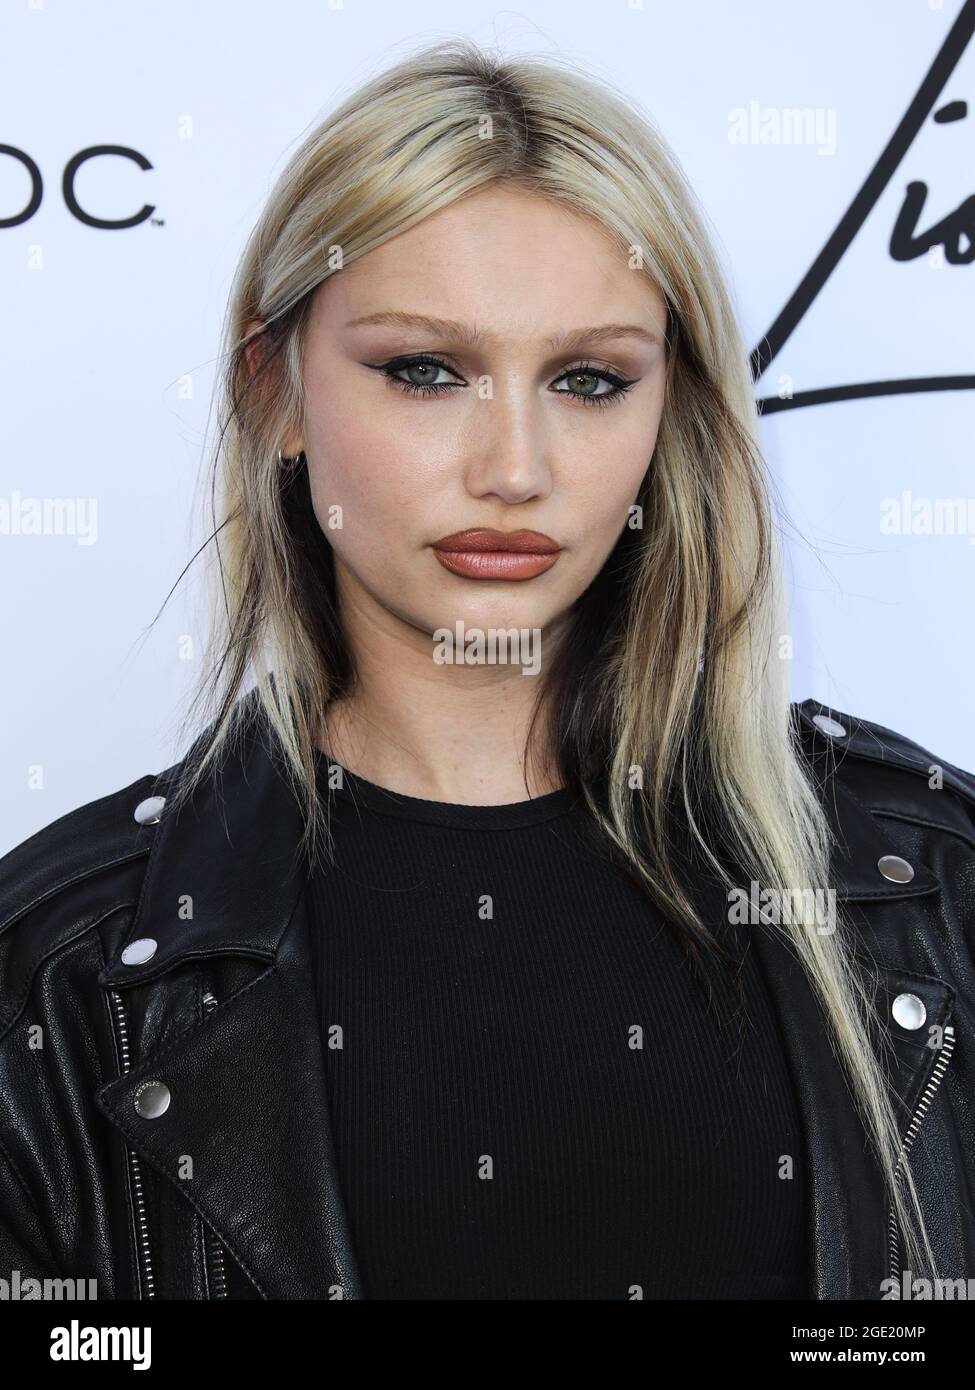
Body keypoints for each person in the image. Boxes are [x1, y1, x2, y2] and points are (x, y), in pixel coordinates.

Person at [1, 40, 973, 1302]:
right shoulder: (63, 970)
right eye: (425, 370)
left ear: (669, 410)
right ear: (273, 394)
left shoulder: (930, 888)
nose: (513, 467)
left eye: (588, 379)